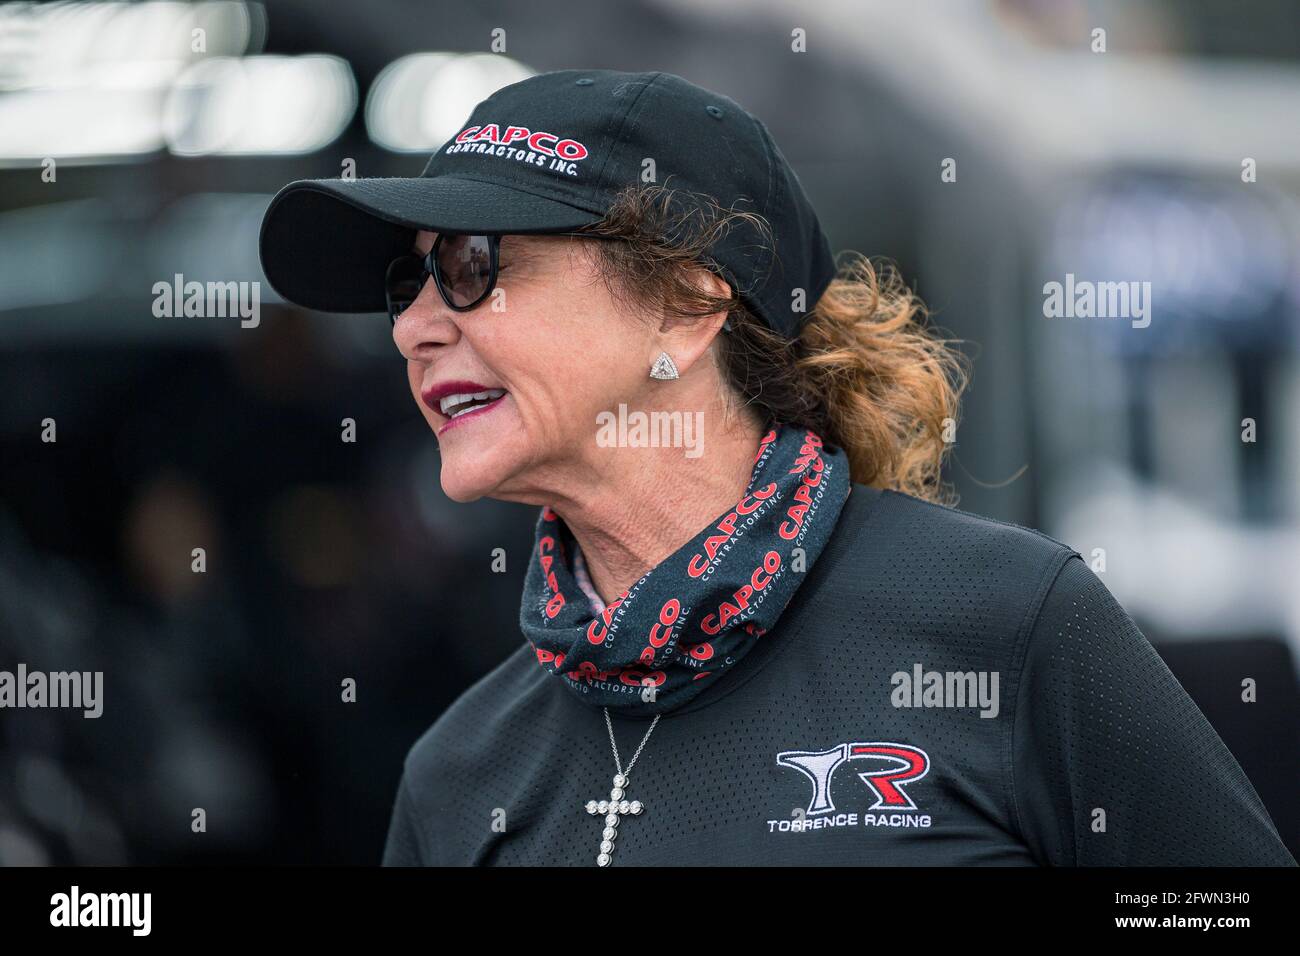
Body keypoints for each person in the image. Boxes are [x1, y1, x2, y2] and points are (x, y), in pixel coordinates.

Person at [258, 69, 1295, 866]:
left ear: (688, 301)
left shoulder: (1009, 621)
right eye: (410, 280)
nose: (413, 329)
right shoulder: (457, 770)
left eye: (471, 265)